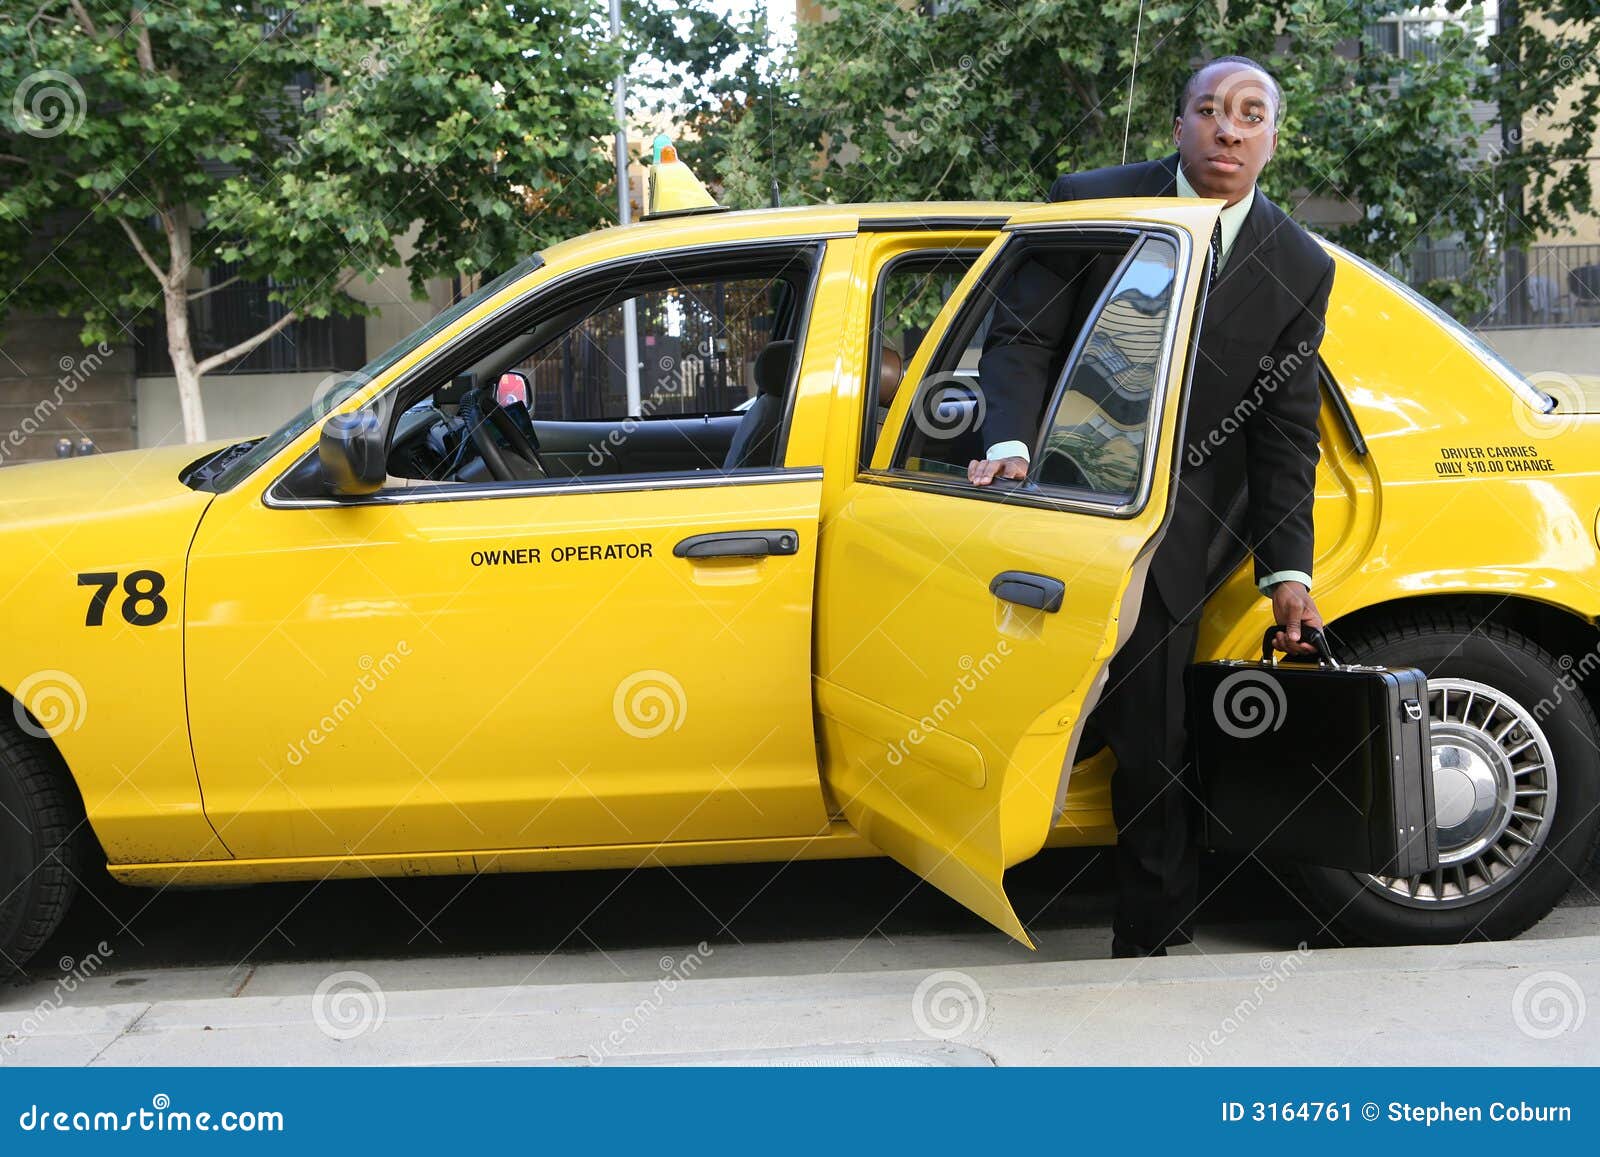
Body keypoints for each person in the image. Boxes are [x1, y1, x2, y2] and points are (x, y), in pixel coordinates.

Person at [967, 55, 1336, 958]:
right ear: (1178, 128)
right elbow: (1020, 338)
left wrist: (1288, 571)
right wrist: (1008, 444)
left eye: (1250, 115)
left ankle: (1153, 935)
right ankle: (967, 878)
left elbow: (1285, 433)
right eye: (1209, 110)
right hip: (1053, 503)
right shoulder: (1093, 203)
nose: (1228, 128)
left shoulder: (1298, 264)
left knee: (1155, 734)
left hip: (1179, 527)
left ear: (1272, 140)